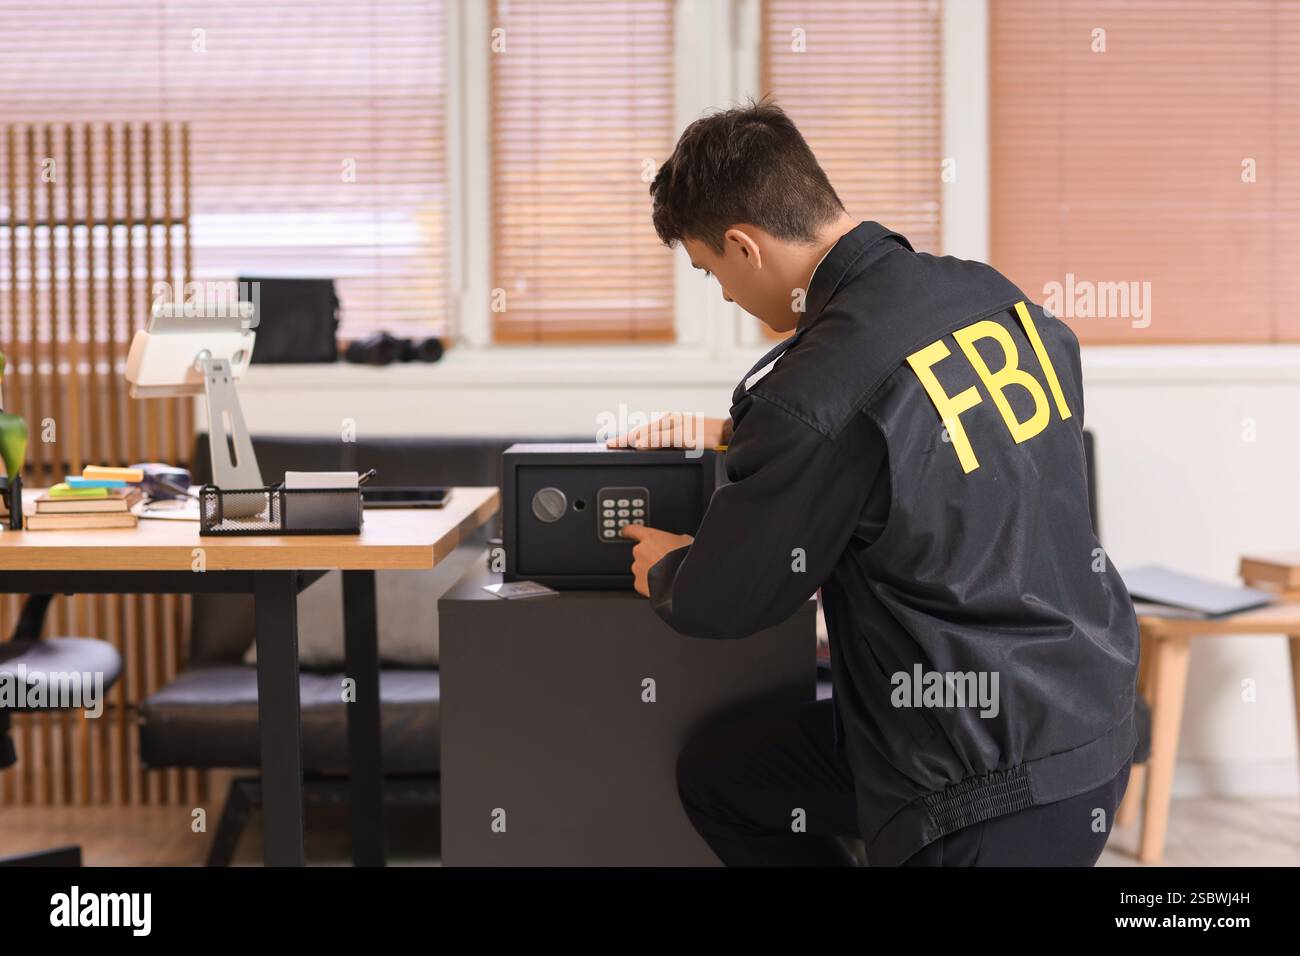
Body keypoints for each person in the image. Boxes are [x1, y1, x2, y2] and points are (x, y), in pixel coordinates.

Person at [607, 101, 1138, 866]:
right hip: (1090, 714)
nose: (722, 294)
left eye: (709, 270)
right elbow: (929, 433)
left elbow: (728, 597)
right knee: (728, 777)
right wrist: (745, 434)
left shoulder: (815, 387)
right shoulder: (988, 297)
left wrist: (667, 569)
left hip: (975, 782)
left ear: (742, 246)